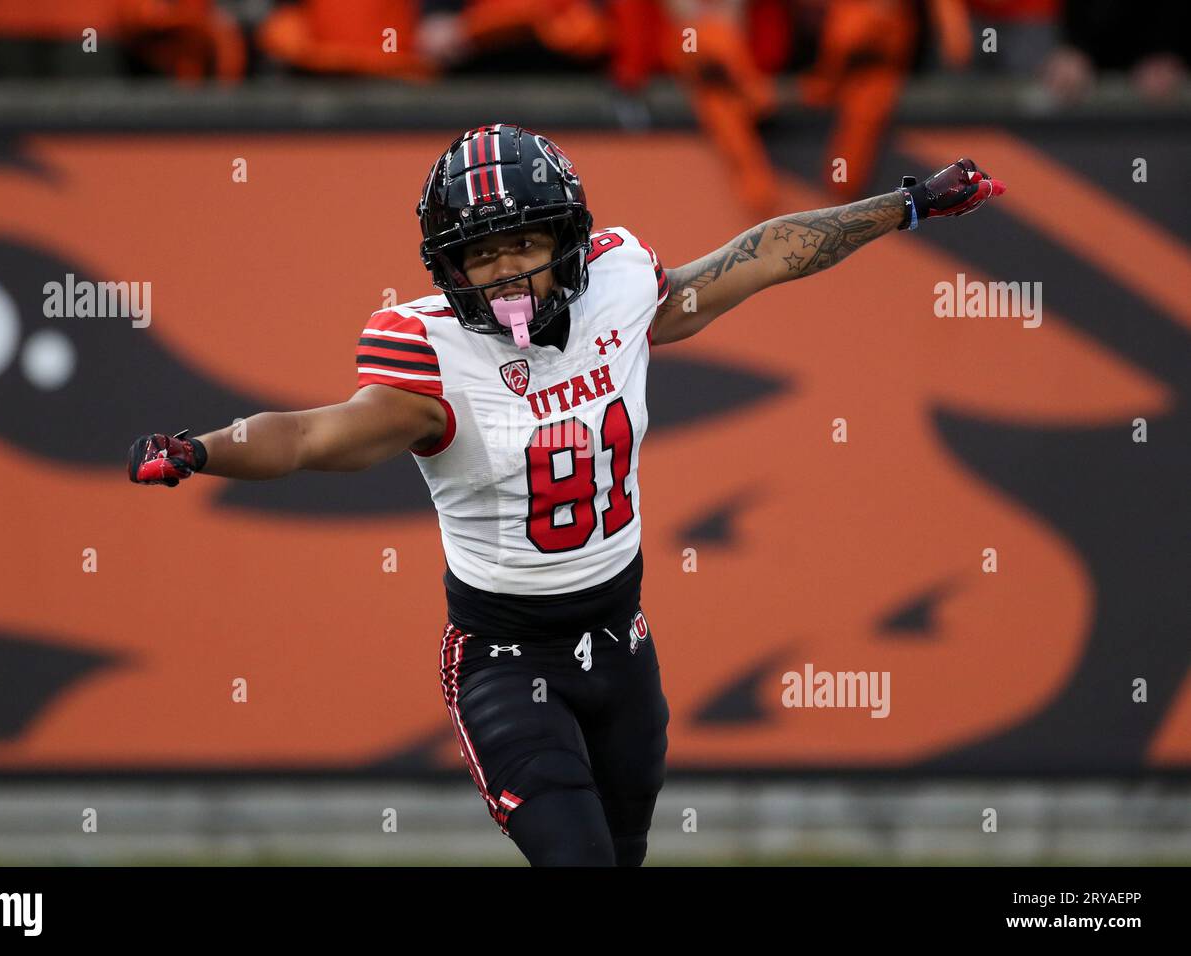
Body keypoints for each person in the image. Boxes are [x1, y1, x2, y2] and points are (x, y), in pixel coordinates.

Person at [127, 123, 1005, 865]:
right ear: (449, 265)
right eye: (480, 251)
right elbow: (313, 435)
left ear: (568, 241)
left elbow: (765, 254)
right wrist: (202, 451)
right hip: (507, 660)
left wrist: (908, 204)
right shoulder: (429, 353)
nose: (505, 272)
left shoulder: (621, 287)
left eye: (523, 243)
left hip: (623, 645)